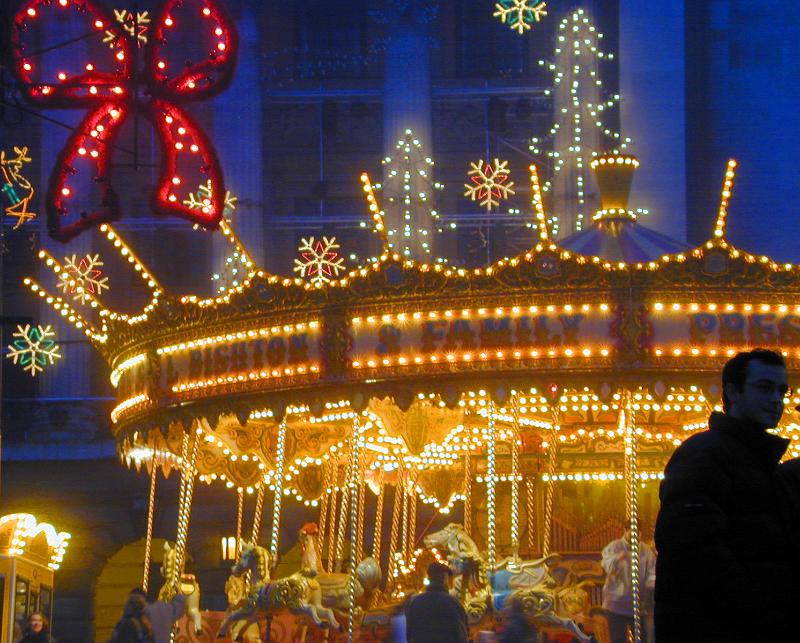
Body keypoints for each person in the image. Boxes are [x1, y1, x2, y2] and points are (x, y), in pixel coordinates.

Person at [654, 348, 799, 642]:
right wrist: (761, 608)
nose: (776, 399)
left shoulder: (763, 466)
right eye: (764, 388)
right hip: (723, 627)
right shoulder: (704, 455)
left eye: (782, 391)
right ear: (733, 392)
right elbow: (697, 553)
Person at [600, 530, 656, 643]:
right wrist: (617, 559)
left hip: (638, 605)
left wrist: (650, 584)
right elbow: (606, 565)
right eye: (631, 532)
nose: (634, 535)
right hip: (616, 603)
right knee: (618, 639)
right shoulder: (614, 547)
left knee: (642, 638)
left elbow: (652, 571)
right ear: (625, 531)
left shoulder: (646, 551)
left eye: (638, 533)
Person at [404, 562, 469, 643]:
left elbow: (409, 633)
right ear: (445, 579)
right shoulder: (451, 603)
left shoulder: (415, 602)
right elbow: (461, 634)